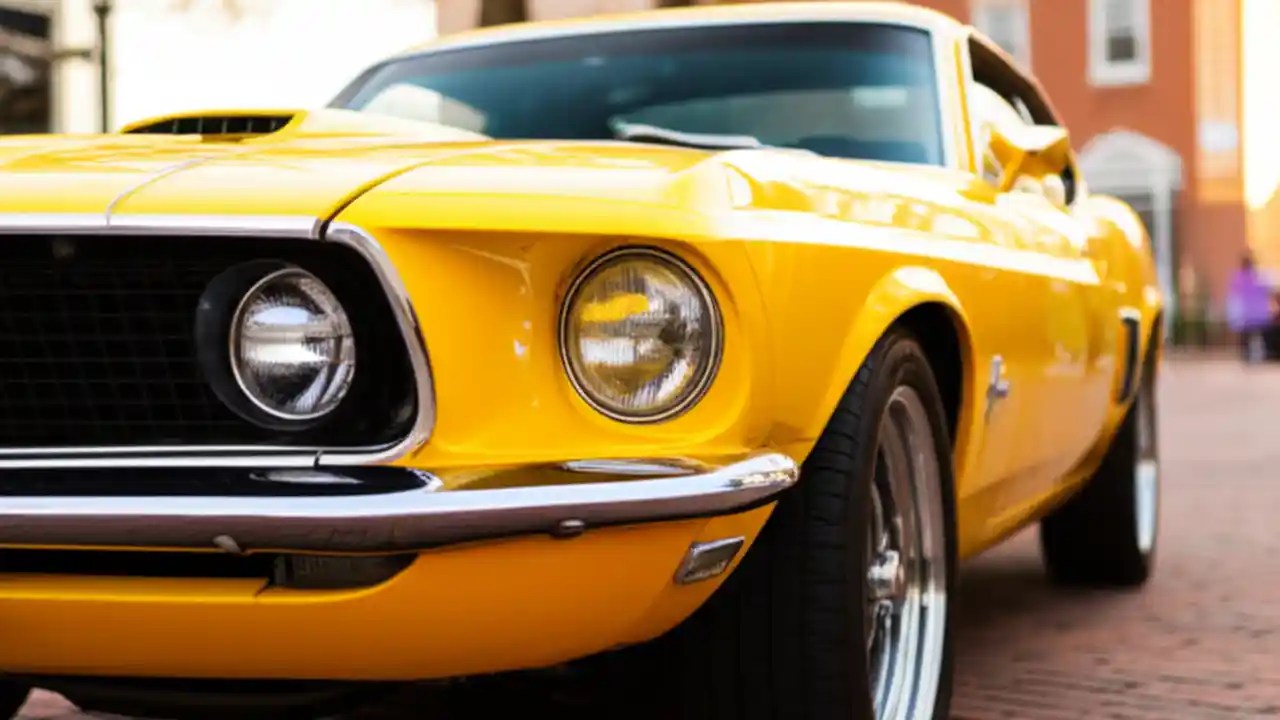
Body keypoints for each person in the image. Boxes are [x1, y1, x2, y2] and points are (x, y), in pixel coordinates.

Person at [1227, 253, 1273, 362]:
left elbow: (1234, 295)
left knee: (1245, 337)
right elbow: (1266, 290)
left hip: (1245, 315)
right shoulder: (1257, 277)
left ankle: (1246, 354)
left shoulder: (1238, 278)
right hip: (1257, 315)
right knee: (1256, 335)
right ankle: (1257, 354)